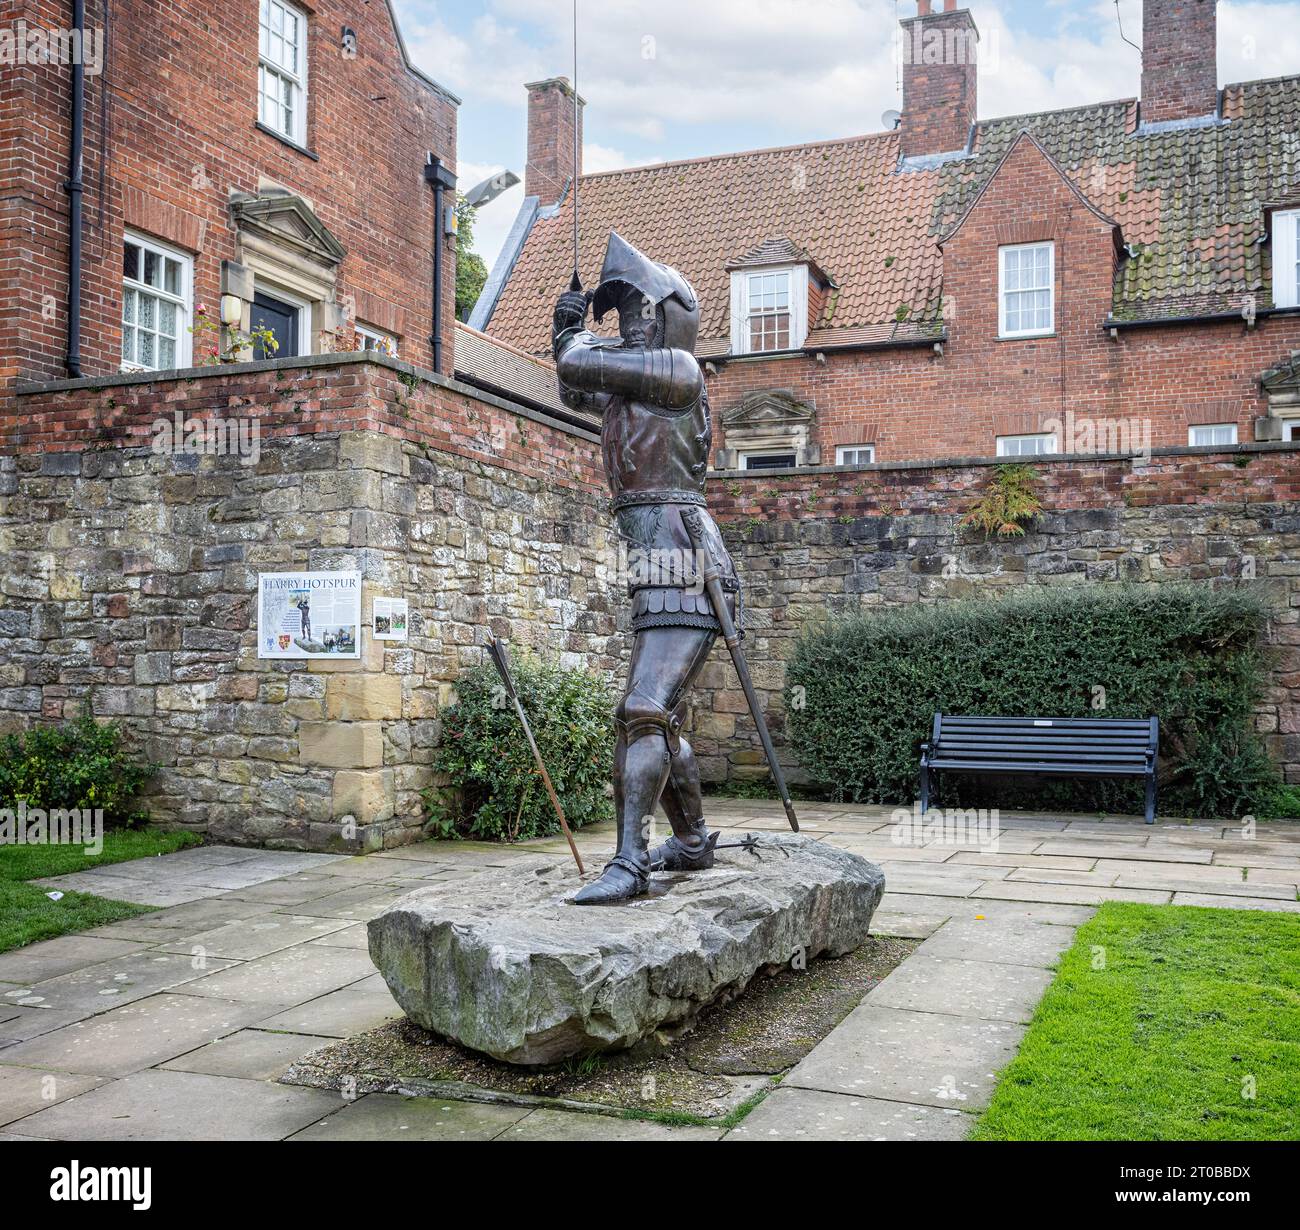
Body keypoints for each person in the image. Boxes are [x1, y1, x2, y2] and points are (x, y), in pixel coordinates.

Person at [553, 232, 740, 905]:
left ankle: (630, 863)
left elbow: (579, 364)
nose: (629, 323)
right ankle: (689, 842)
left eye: (638, 312)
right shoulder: (636, 383)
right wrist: (563, 326)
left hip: (683, 559)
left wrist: (573, 333)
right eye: (622, 313)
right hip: (652, 557)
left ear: (666, 318)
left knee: (643, 708)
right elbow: (574, 385)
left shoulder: (679, 372)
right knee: (658, 716)